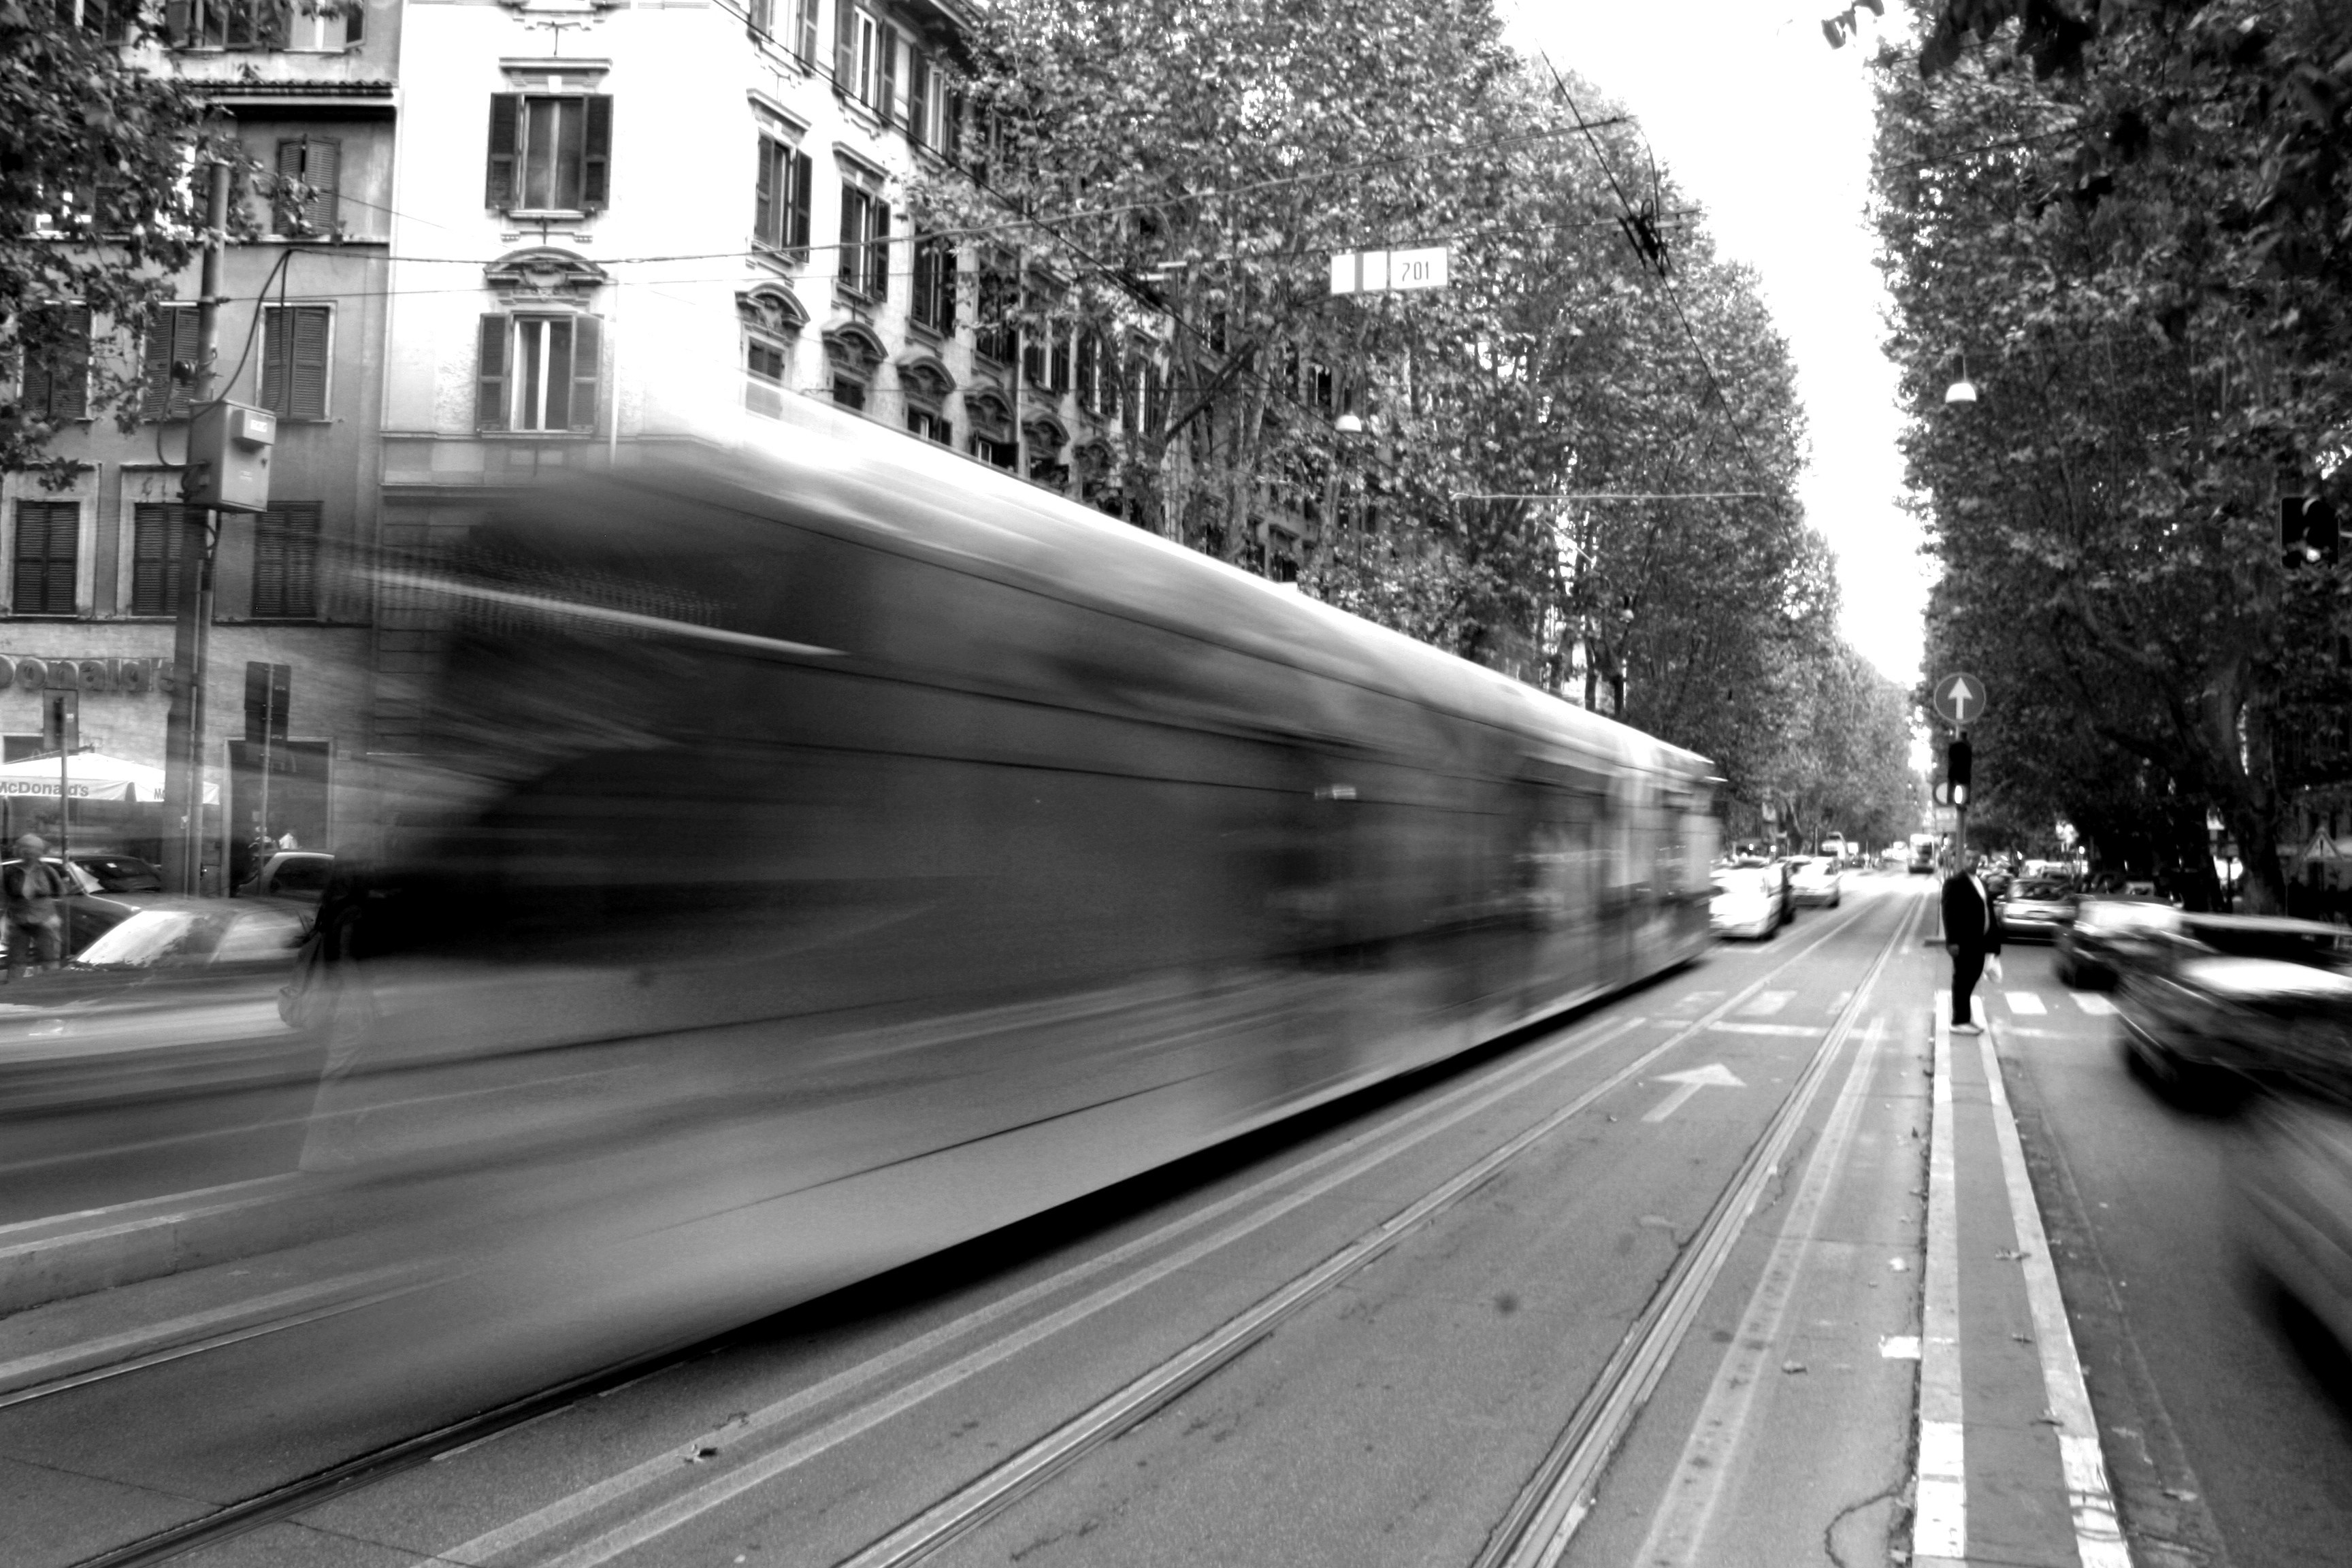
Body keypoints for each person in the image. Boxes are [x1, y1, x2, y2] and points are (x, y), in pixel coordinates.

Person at [1941, 848, 2003, 1034]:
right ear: (1962, 859)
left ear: (1980, 860)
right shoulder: (1954, 883)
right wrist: (1952, 942)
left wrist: (1994, 941)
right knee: (1962, 980)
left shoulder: (1981, 883)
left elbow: (1988, 912)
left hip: (1980, 941)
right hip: (1963, 942)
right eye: (1968, 858)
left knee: (1973, 976)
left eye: (1975, 859)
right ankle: (1958, 1021)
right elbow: (1948, 913)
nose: (1972, 862)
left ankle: (1965, 1017)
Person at [3, 834, 68, 981]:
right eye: (25, 849)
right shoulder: (11, 872)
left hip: (46, 921)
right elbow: (5, 896)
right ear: (19, 851)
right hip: (19, 921)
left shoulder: (48, 871)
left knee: (50, 958)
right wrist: (6, 920)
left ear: (39, 851)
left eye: (33, 849)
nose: (29, 853)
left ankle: (49, 989)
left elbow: (61, 892)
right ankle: (14, 992)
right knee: (16, 960)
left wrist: (54, 916)